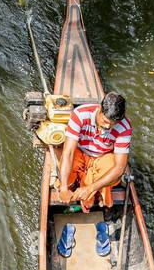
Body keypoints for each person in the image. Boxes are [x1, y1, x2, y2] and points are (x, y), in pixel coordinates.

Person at [54, 91, 131, 258]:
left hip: (101, 159)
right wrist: (65, 187)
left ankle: (89, 195)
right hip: (80, 154)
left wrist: (91, 188)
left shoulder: (125, 127)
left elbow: (119, 167)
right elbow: (67, 153)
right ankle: (72, 190)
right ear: (99, 110)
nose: (107, 127)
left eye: (112, 124)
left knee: (112, 166)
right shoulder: (80, 115)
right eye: (105, 121)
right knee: (66, 161)